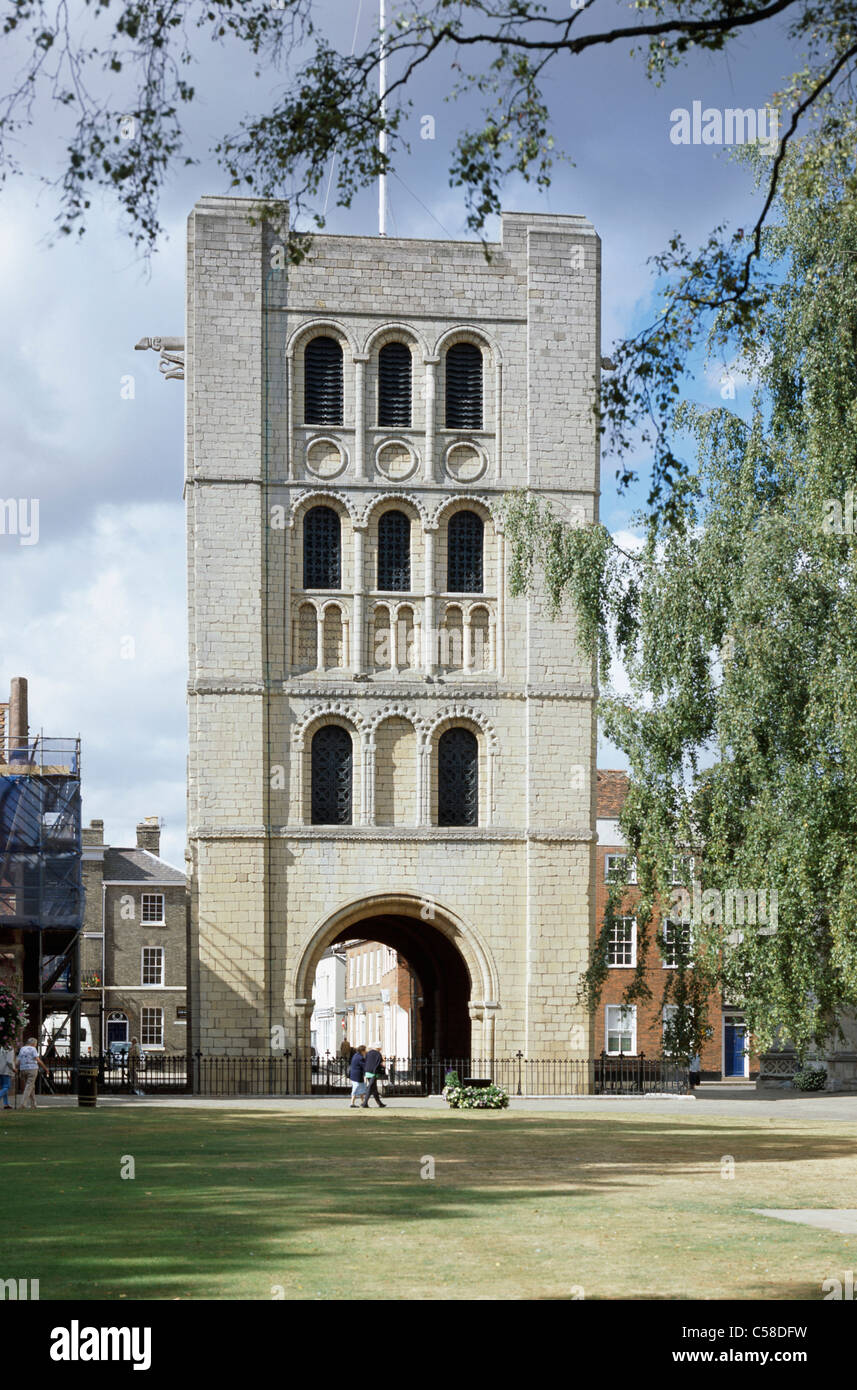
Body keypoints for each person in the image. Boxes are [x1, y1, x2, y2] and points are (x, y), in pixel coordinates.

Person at [16, 1037, 49, 1109]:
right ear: (33, 1043)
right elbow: (38, 1060)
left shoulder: (22, 1048)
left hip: (23, 1069)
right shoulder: (33, 1049)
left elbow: (18, 1059)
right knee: (29, 1086)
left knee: (31, 1086)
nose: (35, 1045)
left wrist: (15, 1067)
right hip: (32, 1068)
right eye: (36, 1044)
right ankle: (23, 1104)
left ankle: (33, 1104)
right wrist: (45, 1068)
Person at [361, 1042, 387, 1109]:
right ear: (379, 1048)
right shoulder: (378, 1054)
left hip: (367, 1072)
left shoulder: (368, 1053)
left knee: (374, 1088)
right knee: (370, 1087)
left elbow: (365, 1061)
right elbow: (379, 1063)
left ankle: (380, 1103)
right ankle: (365, 1103)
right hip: (374, 1072)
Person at [0, 1044, 14, 1109]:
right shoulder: (10, 1048)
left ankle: (6, 1104)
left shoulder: (1, 1048)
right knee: (6, 1087)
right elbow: (9, 1061)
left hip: (0, 1070)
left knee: (3, 1087)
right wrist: (14, 1069)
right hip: (6, 1070)